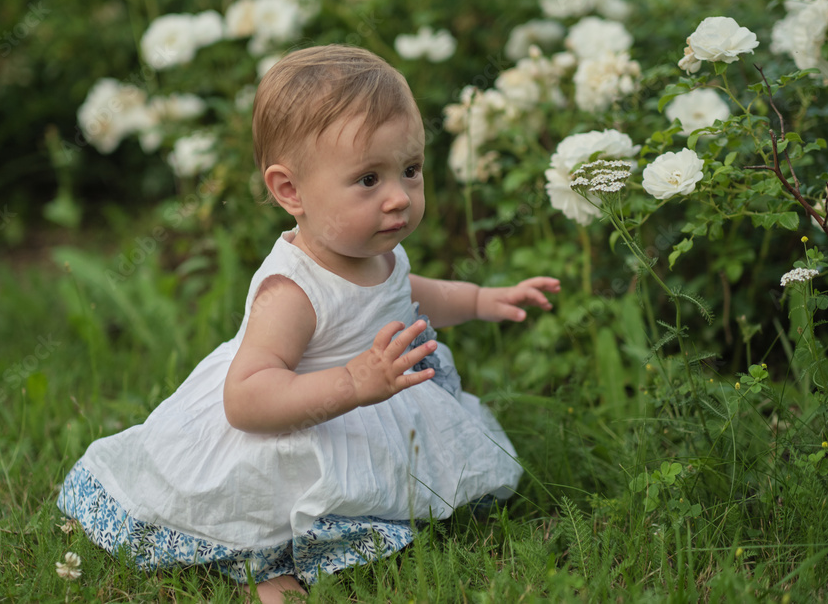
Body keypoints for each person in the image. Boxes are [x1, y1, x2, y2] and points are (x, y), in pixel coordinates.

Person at [57, 44, 560, 603]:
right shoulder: (291, 291)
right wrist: (351, 384)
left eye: (410, 170)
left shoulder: (378, 251)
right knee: (272, 505)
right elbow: (246, 399)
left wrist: (481, 300)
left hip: (371, 400)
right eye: (369, 179)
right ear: (290, 191)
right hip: (294, 418)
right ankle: (265, 569)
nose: (399, 197)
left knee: (396, 490)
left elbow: (409, 295)